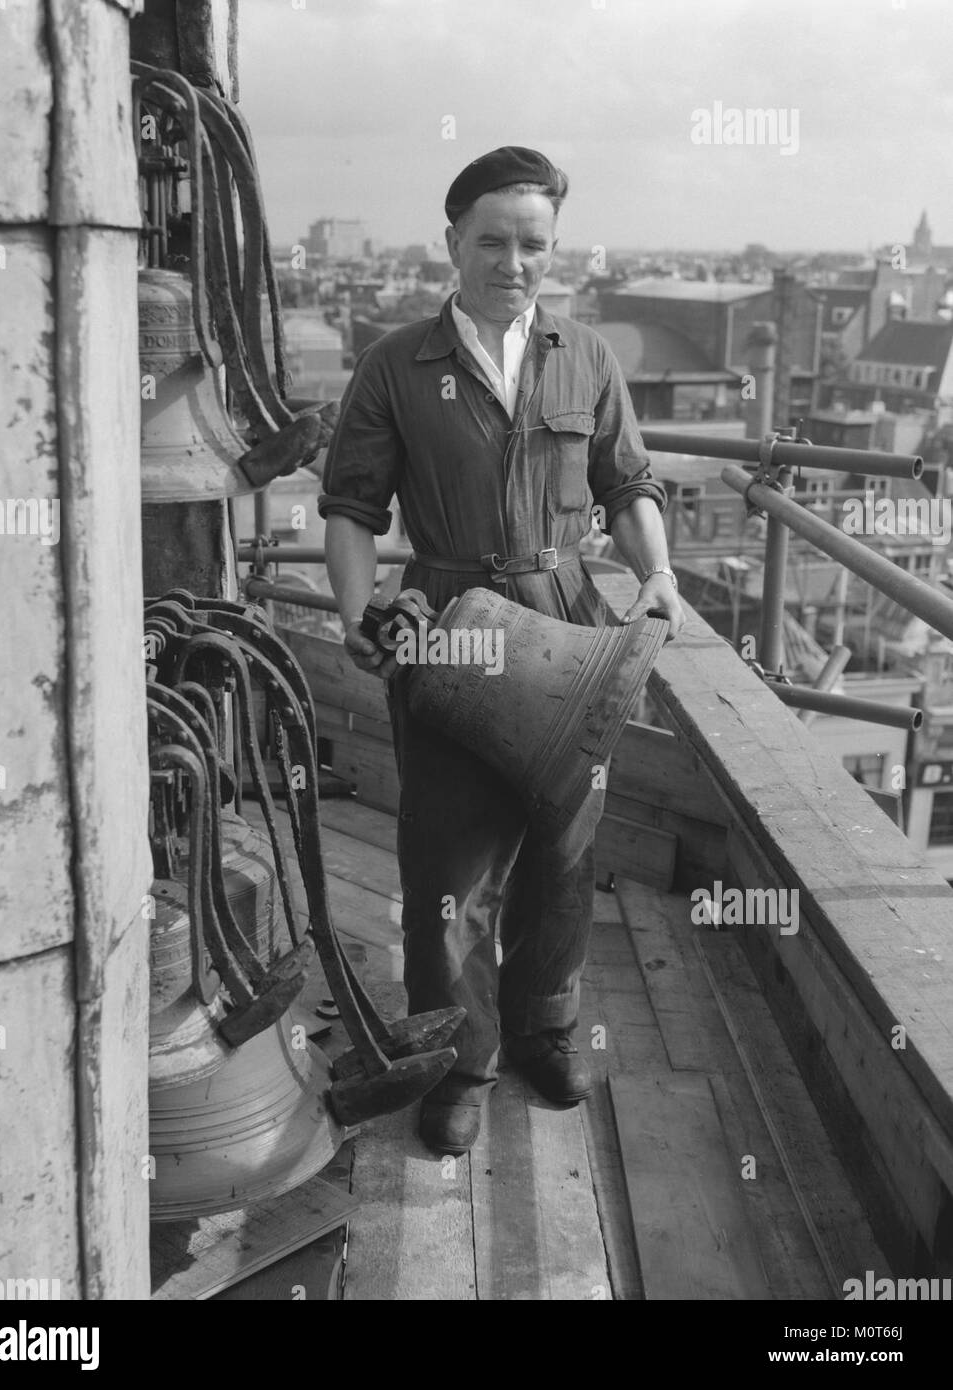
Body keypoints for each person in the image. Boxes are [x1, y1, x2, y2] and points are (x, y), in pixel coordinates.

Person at [320, 146, 685, 1154]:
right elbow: (350, 507)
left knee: (565, 854)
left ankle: (544, 1029)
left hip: (566, 614)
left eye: (534, 243)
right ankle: (457, 1061)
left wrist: (655, 571)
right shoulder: (396, 365)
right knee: (449, 863)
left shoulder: (588, 357)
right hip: (448, 619)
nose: (513, 261)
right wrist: (359, 610)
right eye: (493, 239)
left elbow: (628, 485)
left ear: (552, 249)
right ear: (452, 242)